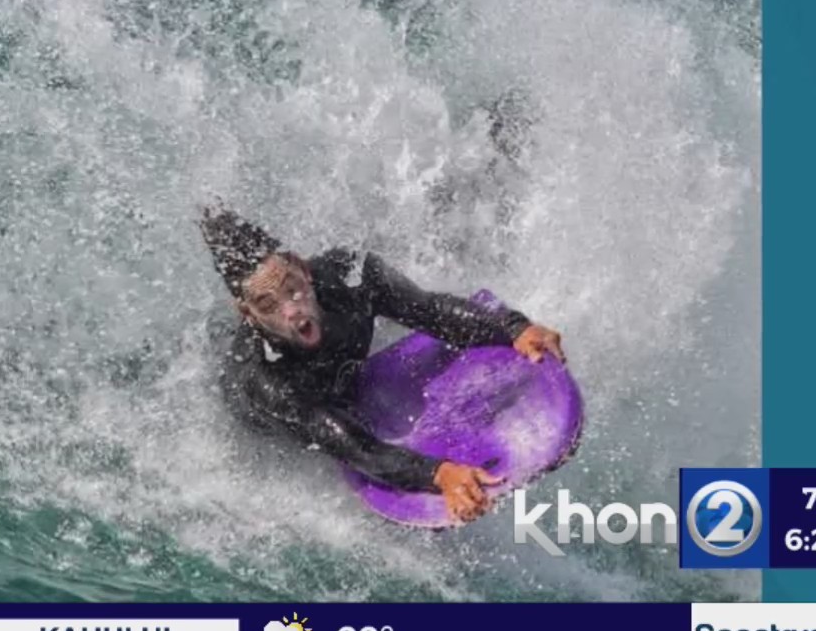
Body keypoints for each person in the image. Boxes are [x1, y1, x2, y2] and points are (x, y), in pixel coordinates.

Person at [200, 206, 564, 523]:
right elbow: (360, 450)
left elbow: (430, 311)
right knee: (329, 424)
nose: (291, 311)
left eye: (291, 288)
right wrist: (437, 474)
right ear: (246, 314)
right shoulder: (266, 379)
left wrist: (512, 328)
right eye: (268, 306)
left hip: (335, 379)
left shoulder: (352, 275)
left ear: (302, 267)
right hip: (277, 421)